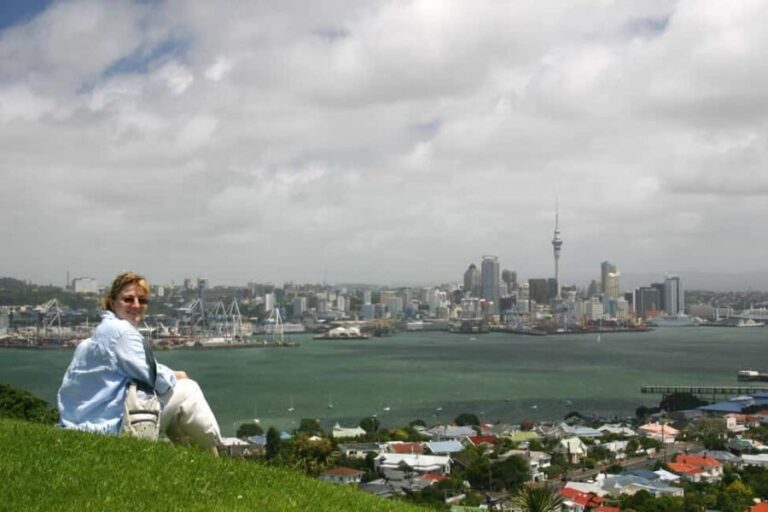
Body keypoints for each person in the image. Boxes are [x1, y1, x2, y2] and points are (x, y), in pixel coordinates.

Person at [58, 271, 221, 455]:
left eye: (142, 300)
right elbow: (154, 379)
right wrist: (177, 375)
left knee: (174, 403)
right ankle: (215, 452)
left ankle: (195, 460)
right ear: (112, 302)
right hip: (113, 430)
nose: (136, 305)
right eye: (128, 299)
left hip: (82, 428)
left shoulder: (94, 338)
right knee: (189, 389)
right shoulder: (122, 332)